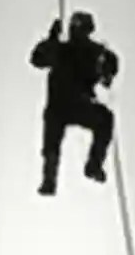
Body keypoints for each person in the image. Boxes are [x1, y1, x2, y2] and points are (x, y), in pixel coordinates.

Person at [28, 10, 119, 196]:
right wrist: (51, 39)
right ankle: (51, 180)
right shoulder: (63, 49)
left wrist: (106, 68)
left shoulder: (86, 51)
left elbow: (111, 64)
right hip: (63, 105)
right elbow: (37, 59)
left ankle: (90, 166)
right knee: (52, 142)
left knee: (104, 120)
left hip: (71, 104)